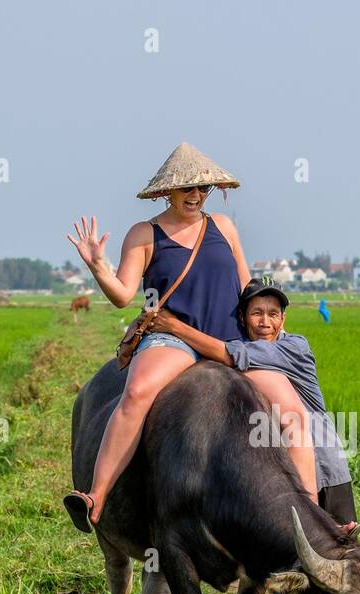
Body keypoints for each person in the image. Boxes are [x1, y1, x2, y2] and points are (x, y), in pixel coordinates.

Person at [64, 143, 312, 528]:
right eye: (186, 190)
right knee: (137, 392)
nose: (195, 196)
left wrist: (269, 323)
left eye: (202, 190)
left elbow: (246, 284)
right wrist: (98, 266)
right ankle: (96, 496)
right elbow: (123, 296)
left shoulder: (223, 227)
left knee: (293, 412)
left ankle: (309, 513)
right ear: (167, 192)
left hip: (227, 339)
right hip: (172, 338)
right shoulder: (144, 234)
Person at [148, 278, 356, 527]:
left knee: (341, 546)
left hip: (323, 466)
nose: (265, 322)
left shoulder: (294, 347)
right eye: (257, 313)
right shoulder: (237, 345)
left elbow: (229, 354)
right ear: (243, 317)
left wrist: (175, 327)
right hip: (278, 468)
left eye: (273, 314)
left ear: (283, 319)